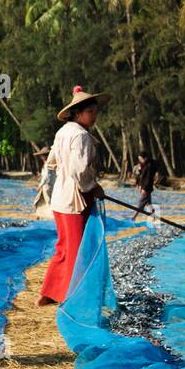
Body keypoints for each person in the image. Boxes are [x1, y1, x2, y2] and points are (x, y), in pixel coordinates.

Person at [37, 86, 108, 306]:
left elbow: (51, 162)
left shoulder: (62, 132)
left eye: (96, 112)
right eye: (91, 112)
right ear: (78, 113)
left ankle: (49, 292)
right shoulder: (81, 136)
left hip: (60, 197)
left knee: (64, 247)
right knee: (78, 250)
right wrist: (94, 186)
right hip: (74, 200)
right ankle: (75, 297)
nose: (95, 116)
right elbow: (80, 172)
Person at [132, 153, 157, 220]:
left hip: (147, 187)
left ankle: (133, 218)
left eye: (141, 159)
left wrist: (144, 188)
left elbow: (148, 179)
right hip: (145, 187)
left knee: (141, 203)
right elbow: (141, 177)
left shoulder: (149, 166)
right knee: (148, 203)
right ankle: (154, 217)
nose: (140, 160)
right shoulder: (145, 165)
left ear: (145, 158)